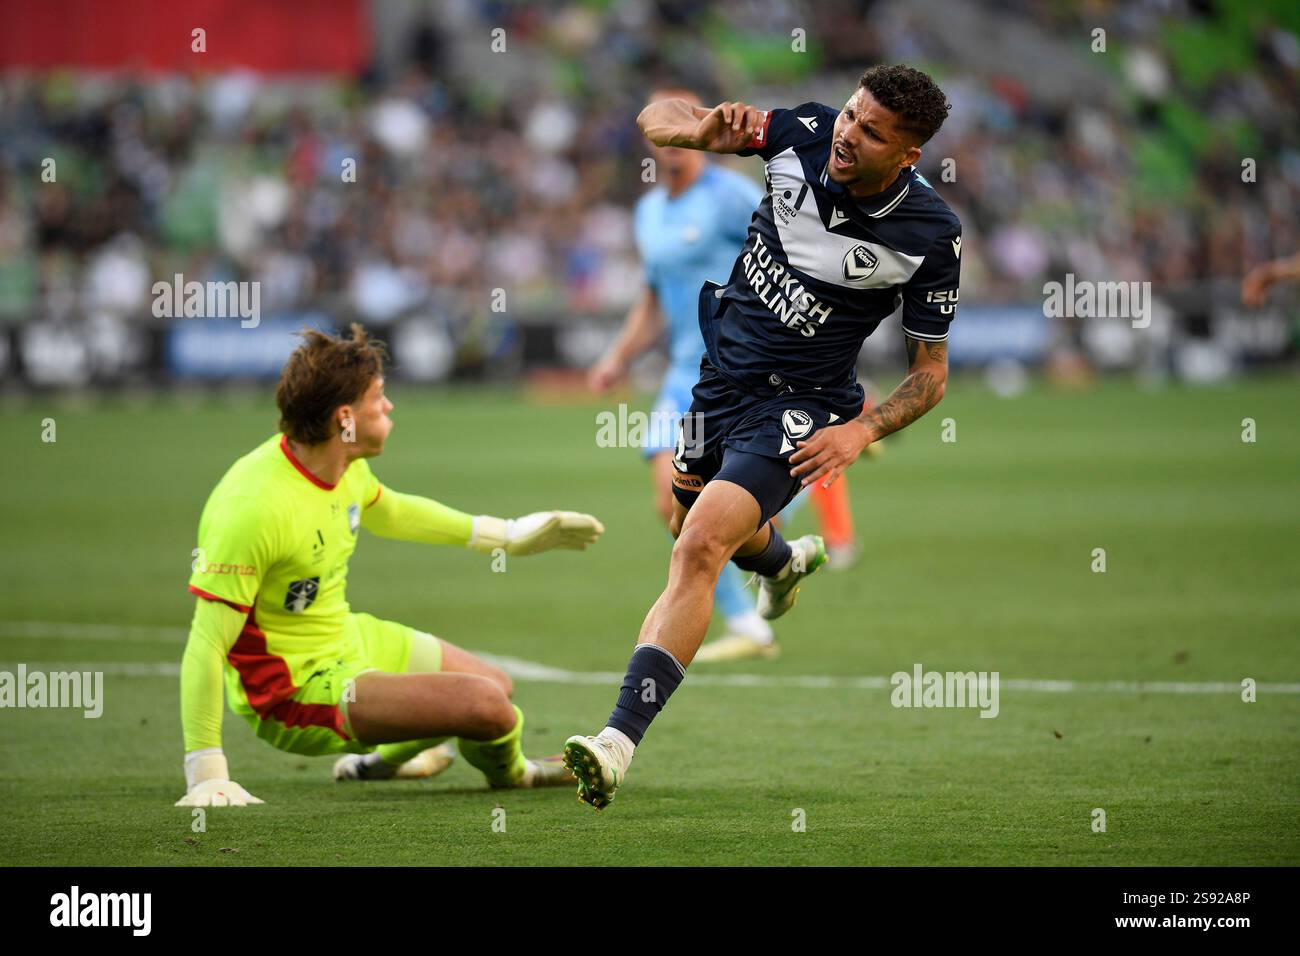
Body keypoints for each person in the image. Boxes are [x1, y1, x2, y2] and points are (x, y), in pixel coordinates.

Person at [562, 65, 961, 810]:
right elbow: (657, 112)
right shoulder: (798, 132)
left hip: (801, 408)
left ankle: (617, 741)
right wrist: (695, 125)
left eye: (872, 131)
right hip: (717, 381)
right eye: (851, 114)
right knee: (687, 519)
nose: (848, 133)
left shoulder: (931, 236)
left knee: (698, 544)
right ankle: (781, 562)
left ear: (907, 154)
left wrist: (861, 431)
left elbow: (931, 373)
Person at [175, 324, 603, 807]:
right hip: (295, 690)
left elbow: (393, 511)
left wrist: (505, 534)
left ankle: (377, 764)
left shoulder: (342, 461)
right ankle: (516, 774)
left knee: (497, 684)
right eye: (378, 397)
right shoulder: (253, 507)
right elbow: (206, 645)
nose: (389, 407)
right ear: (345, 418)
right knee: (487, 707)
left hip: (346, 637)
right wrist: (206, 771)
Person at [590, 88, 779, 663]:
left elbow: (788, 255)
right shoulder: (649, 213)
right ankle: (752, 617)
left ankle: (778, 554)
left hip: (742, 373)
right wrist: (618, 356)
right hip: (683, 379)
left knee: (714, 504)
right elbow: (653, 295)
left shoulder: (730, 197)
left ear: (703, 127)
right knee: (672, 503)